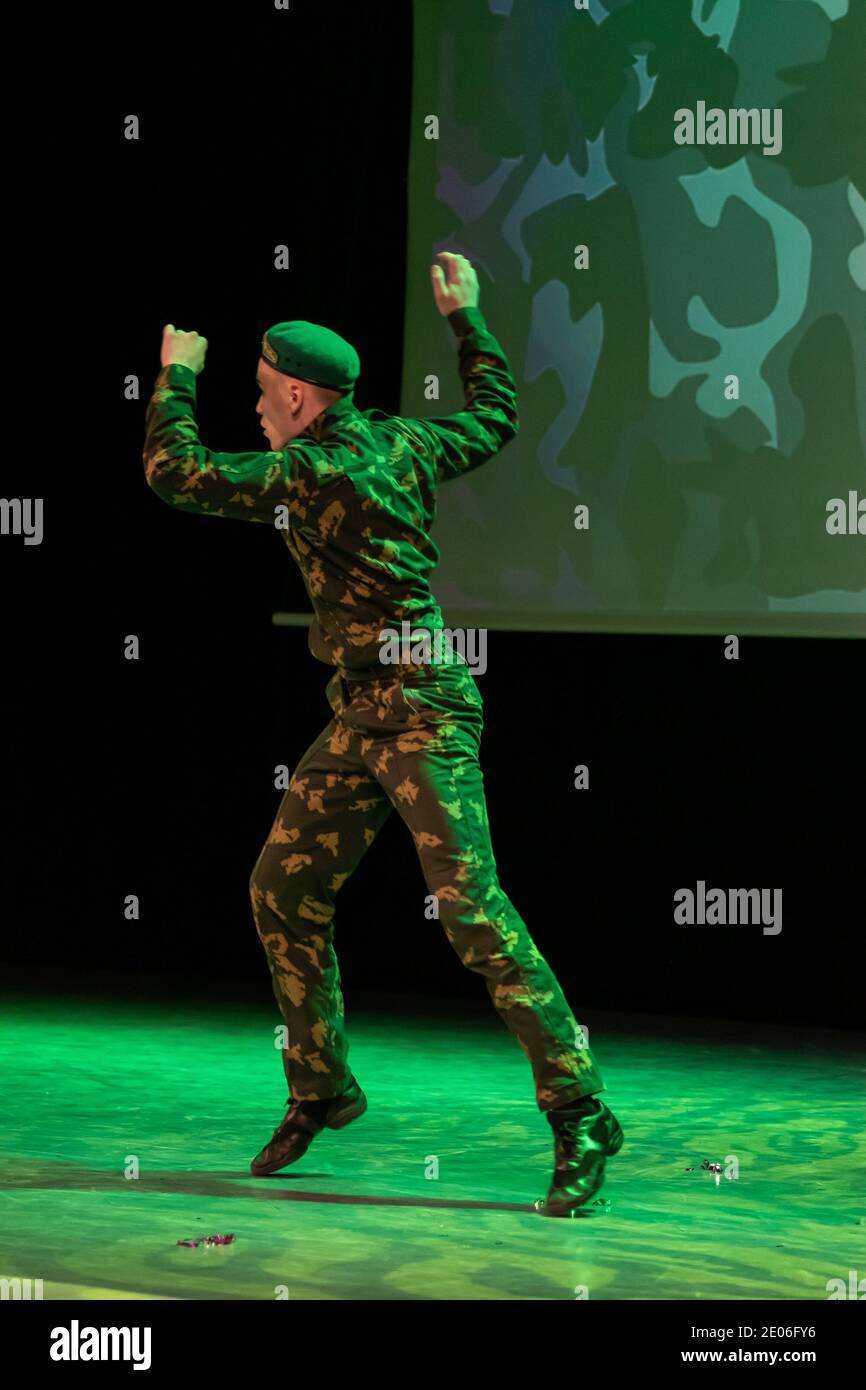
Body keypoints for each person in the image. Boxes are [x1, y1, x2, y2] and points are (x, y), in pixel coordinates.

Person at [142, 252, 624, 1216]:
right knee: (281, 887)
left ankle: (581, 1110)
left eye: (259, 395)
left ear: (295, 396)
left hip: (424, 706)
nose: (256, 411)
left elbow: (173, 473)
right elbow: (495, 417)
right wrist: (468, 319)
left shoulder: (317, 468)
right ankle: (322, 1088)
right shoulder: (400, 442)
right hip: (362, 708)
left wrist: (175, 374)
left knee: (470, 909)